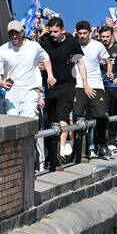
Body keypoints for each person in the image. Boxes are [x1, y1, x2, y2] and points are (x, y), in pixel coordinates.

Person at [38, 17, 81, 169]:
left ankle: (61, 152)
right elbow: (36, 62)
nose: (53, 35)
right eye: (51, 32)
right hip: (50, 87)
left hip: (67, 85)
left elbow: (79, 62)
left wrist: (84, 83)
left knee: (63, 116)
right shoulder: (45, 43)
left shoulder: (71, 42)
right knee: (50, 122)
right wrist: (41, 68)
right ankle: (52, 156)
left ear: (63, 30)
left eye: (56, 32)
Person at [0, 21, 53, 124]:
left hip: (30, 92)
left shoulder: (34, 46)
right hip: (12, 93)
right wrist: (1, 82)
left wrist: (50, 75)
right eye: (11, 34)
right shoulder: (2, 50)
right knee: (12, 125)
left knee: (28, 124)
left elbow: (46, 58)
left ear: (22, 32)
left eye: (17, 33)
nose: (14, 36)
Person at [72, 20, 111, 161]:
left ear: (90, 33)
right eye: (80, 33)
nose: (82, 36)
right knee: (77, 115)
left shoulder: (98, 45)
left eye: (85, 33)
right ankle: (79, 151)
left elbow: (108, 61)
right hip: (79, 85)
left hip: (96, 84)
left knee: (100, 115)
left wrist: (110, 72)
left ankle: (102, 144)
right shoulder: (73, 45)